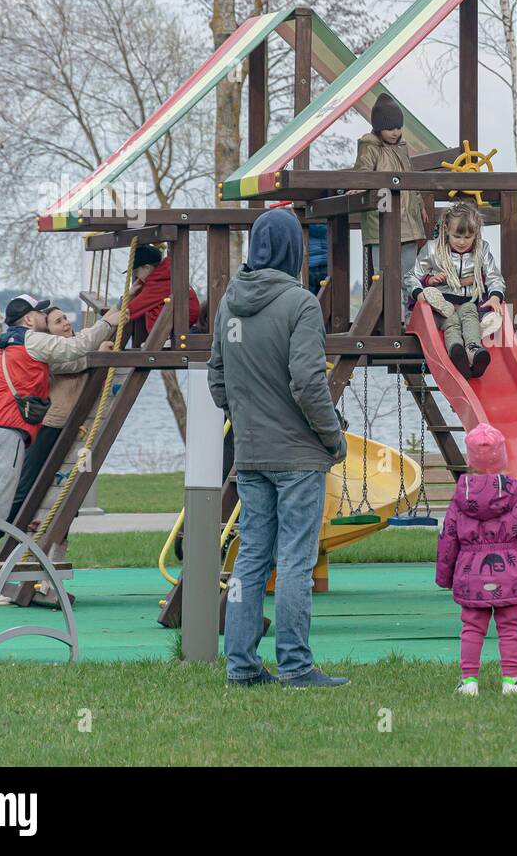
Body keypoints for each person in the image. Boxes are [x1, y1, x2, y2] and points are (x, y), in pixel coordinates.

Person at [209, 206, 350, 689]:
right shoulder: (300, 304)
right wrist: (332, 438)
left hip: (250, 454)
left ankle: (241, 666)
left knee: (251, 558)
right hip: (297, 456)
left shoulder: (229, 304)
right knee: (295, 560)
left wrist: (242, 417)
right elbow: (309, 383)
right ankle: (295, 665)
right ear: (294, 249)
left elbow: (218, 377)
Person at [0, 295, 118, 540]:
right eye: (39, 313)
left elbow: (69, 363)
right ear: (28, 319)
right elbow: (75, 347)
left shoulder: (10, 346)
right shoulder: (32, 339)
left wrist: (95, 354)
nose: (42, 316)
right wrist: (108, 324)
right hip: (6, 431)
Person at [437, 422, 517, 696]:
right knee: (511, 626)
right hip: (510, 573)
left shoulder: (461, 495)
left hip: (470, 573)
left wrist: (445, 576)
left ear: (470, 460)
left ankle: (469, 682)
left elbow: (448, 537)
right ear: (502, 459)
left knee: (472, 626)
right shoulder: (516, 492)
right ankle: (511, 681)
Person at [6, 307, 114, 531]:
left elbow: (87, 341)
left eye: (64, 318)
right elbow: (75, 361)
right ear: (49, 332)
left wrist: (128, 298)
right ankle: (2, 531)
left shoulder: (80, 343)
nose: (65, 323)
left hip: (71, 425)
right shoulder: (51, 355)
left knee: (66, 486)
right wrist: (98, 354)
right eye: (57, 322)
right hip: (50, 425)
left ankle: (45, 528)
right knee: (28, 481)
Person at [403, 201, 504, 378]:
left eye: (468, 237)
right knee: (451, 322)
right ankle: (457, 352)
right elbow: (411, 276)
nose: (462, 242)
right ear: (446, 231)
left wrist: (495, 297)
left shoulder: (481, 249)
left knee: (470, 315)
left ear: (476, 234)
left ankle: (473, 351)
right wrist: (421, 291)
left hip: (468, 302)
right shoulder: (434, 249)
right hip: (442, 306)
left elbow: (494, 276)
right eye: (457, 236)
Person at [355, 93, 431, 283]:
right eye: (390, 128)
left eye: (398, 128)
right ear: (379, 128)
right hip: (382, 218)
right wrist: (357, 187)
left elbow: (410, 178)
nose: (395, 132)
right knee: (384, 276)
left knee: (408, 275)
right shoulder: (370, 146)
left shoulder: (401, 147)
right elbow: (362, 172)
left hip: (408, 219)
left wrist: (419, 204)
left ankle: (405, 312)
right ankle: (387, 310)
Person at [127, 243, 201, 343]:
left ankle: (164, 338)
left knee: (151, 309)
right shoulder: (166, 273)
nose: (136, 276)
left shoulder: (158, 284)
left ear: (147, 268)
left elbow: (130, 311)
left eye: (136, 272)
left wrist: (106, 322)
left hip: (179, 329)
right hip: (186, 324)